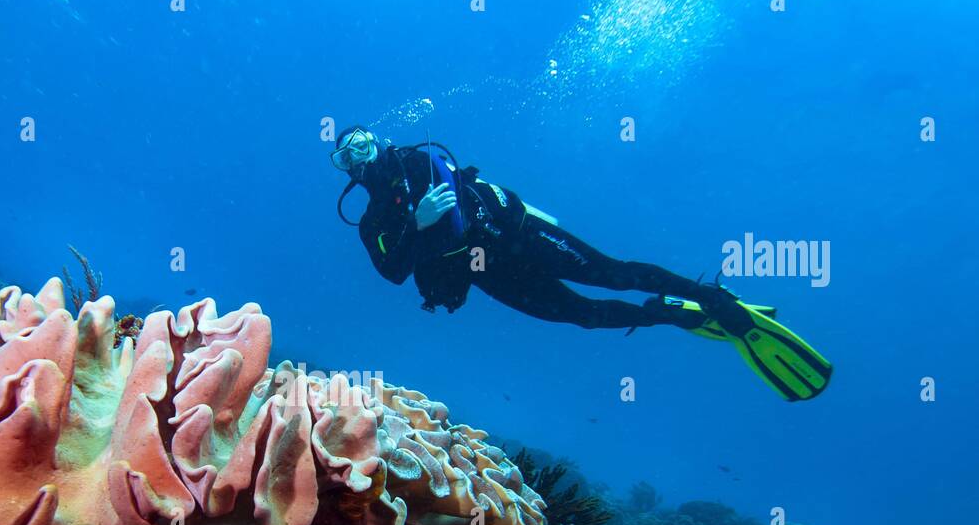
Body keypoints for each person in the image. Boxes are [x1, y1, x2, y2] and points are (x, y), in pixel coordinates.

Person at [330, 125, 832, 401]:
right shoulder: (373, 220)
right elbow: (393, 271)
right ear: (345, 172)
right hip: (489, 272)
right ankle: (675, 313)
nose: (358, 159)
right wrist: (416, 226)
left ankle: (712, 297)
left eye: (361, 145)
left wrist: (441, 217)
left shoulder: (420, 161)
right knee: (584, 315)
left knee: (611, 273)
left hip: (522, 237)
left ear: (378, 141)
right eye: (345, 159)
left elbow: (469, 196)